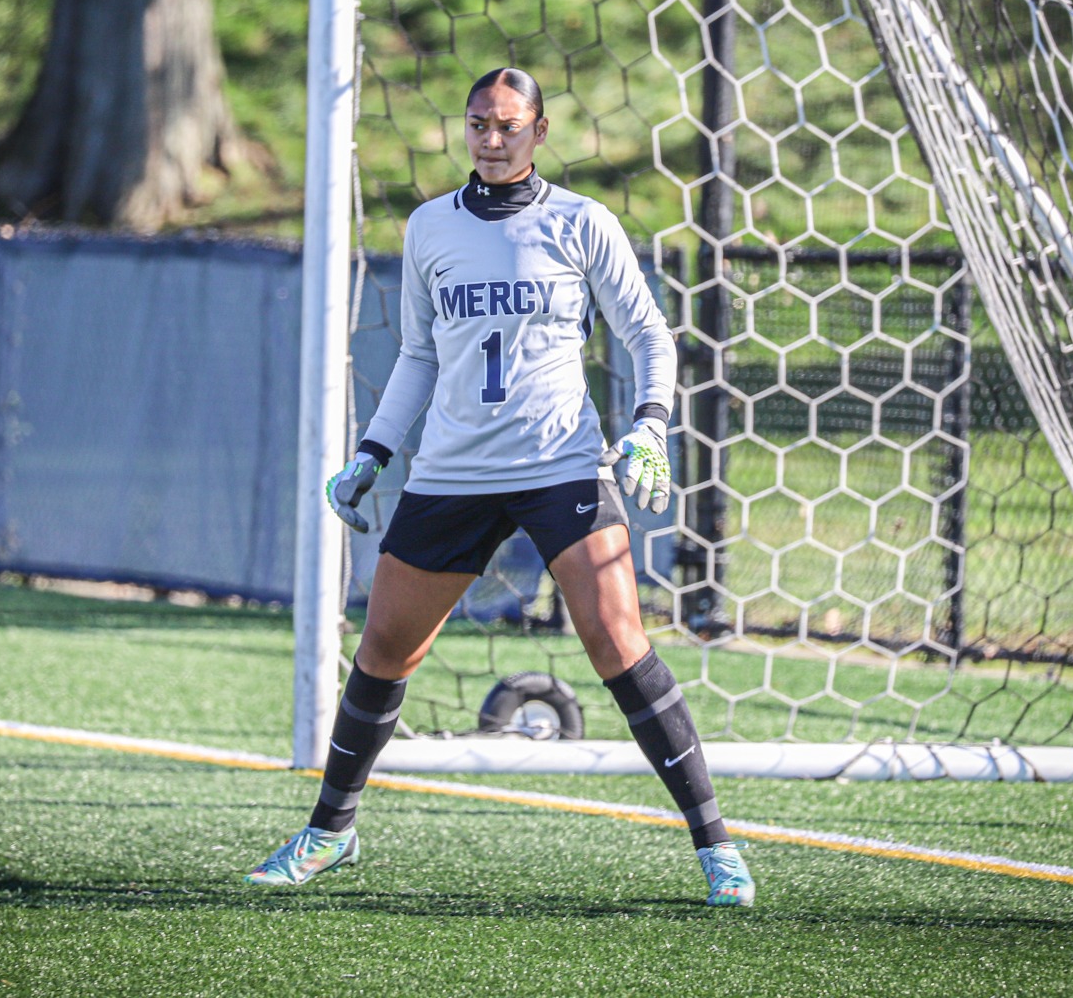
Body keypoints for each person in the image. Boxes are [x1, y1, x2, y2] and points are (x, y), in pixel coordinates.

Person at [244, 67, 754, 908]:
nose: (490, 138)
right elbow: (416, 352)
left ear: (539, 132)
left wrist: (653, 426)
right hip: (452, 473)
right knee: (383, 651)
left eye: (507, 125)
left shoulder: (582, 223)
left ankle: (716, 847)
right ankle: (330, 833)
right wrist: (373, 450)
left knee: (619, 640)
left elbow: (648, 335)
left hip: (564, 464)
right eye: (478, 123)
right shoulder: (428, 228)